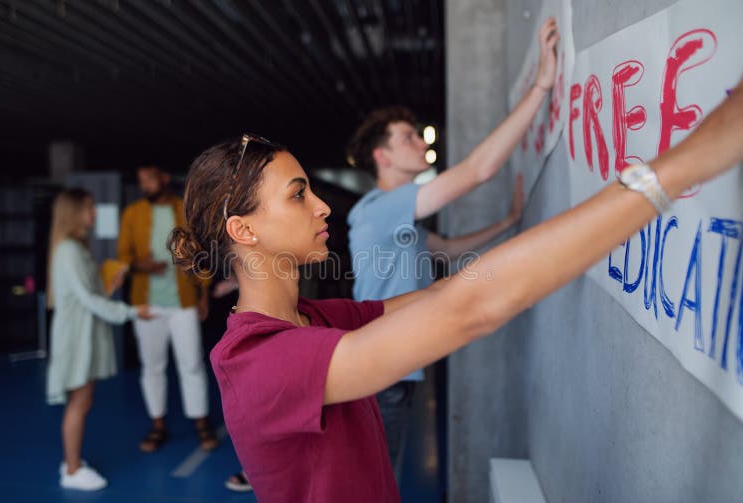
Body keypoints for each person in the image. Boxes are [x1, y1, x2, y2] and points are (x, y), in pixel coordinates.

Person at [167, 87, 743, 503]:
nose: (321, 206)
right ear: (244, 230)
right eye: (298, 196)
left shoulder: (315, 317)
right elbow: (468, 309)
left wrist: (540, 237)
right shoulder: (255, 358)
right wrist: (683, 164)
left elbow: (450, 290)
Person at [345, 18, 555, 471]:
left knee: (377, 477)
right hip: (381, 368)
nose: (420, 142)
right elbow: (478, 171)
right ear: (382, 157)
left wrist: (509, 220)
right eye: (408, 138)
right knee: (371, 483)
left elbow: (446, 251)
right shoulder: (379, 207)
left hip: (393, 367)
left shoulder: (400, 216)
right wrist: (541, 87)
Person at [46, 188, 152, 491]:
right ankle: (72, 468)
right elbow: (88, 302)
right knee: (79, 402)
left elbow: (90, 298)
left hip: (82, 334)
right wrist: (132, 311)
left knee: (83, 400)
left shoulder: (76, 248)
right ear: (75, 212)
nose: (93, 213)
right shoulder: (68, 250)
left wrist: (110, 286)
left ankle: (72, 462)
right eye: (89, 208)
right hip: (75, 337)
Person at [117, 165, 217, 452]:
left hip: (183, 302)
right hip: (147, 304)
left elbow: (199, 255)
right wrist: (140, 265)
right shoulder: (132, 214)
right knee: (152, 367)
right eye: (141, 181)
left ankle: (201, 422)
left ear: (164, 178)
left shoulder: (183, 210)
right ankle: (157, 424)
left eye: (149, 179)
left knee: (192, 365)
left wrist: (204, 295)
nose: (145, 185)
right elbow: (123, 257)